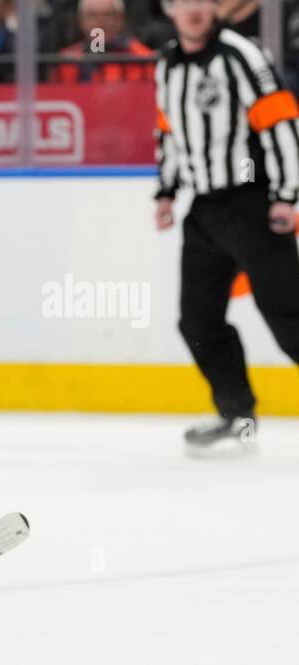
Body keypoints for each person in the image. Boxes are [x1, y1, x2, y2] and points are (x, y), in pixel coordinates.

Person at [155, 0, 299, 454]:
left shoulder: (242, 53)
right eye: (183, 1)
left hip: (252, 203)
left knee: (288, 316)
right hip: (204, 211)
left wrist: (287, 195)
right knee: (197, 320)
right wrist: (166, 190)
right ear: (169, 9)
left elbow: (280, 122)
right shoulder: (167, 64)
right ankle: (237, 414)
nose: (194, 9)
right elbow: (170, 131)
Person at [51, 0, 156, 83]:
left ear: (121, 19)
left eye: (108, 14)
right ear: (81, 21)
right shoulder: (67, 60)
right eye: (93, 15)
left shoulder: (142, 57)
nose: (101, 21)